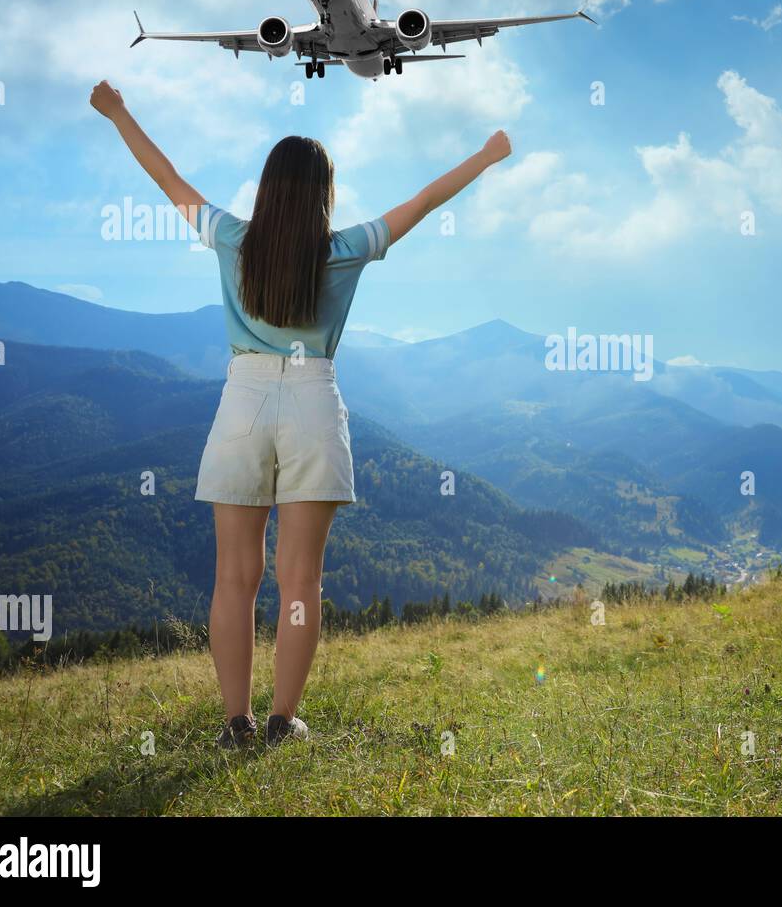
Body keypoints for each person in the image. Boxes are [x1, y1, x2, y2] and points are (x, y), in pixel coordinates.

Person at [89, 79, 511, 748]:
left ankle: (236, 723)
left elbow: (166, 175)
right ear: (323, 193)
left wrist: (118, 112)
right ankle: (283, 721)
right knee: (300, 578)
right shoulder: (346, 249)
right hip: (314, 398)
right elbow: (424, 200)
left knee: (233, 575)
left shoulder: (231, 239)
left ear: (267, 188)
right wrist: (487, 155)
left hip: (243, 399)